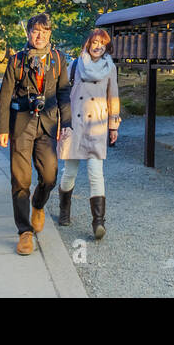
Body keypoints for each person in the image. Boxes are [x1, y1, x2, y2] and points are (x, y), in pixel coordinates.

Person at [0, 13, 70, 256]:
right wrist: (3, 129)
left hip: (47, 126)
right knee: (20, 180)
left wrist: (66, 123)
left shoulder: (58, 59)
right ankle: (24, 231)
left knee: (49, 175)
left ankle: (38, 204)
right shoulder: (17, 60)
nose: (40, 35)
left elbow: (63, 93)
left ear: (50, 33)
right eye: (36, 31)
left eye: (45, 31)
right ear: (28, 33)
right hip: (20, 124)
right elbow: (5, 95)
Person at [57, 28, 120, 239]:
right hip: (74, 125)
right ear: (88, 44)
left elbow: (114, 98)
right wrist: (61, 122)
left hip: (98, 126)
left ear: (106, 46)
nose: (98, 46)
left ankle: (98, 222)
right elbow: (63, 94)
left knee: (96, 172)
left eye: (102, 43)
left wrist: (113, 126)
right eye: (95, 42)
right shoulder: (75, 65)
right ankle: (64, 209)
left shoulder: (110, 67)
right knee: (70, 173)